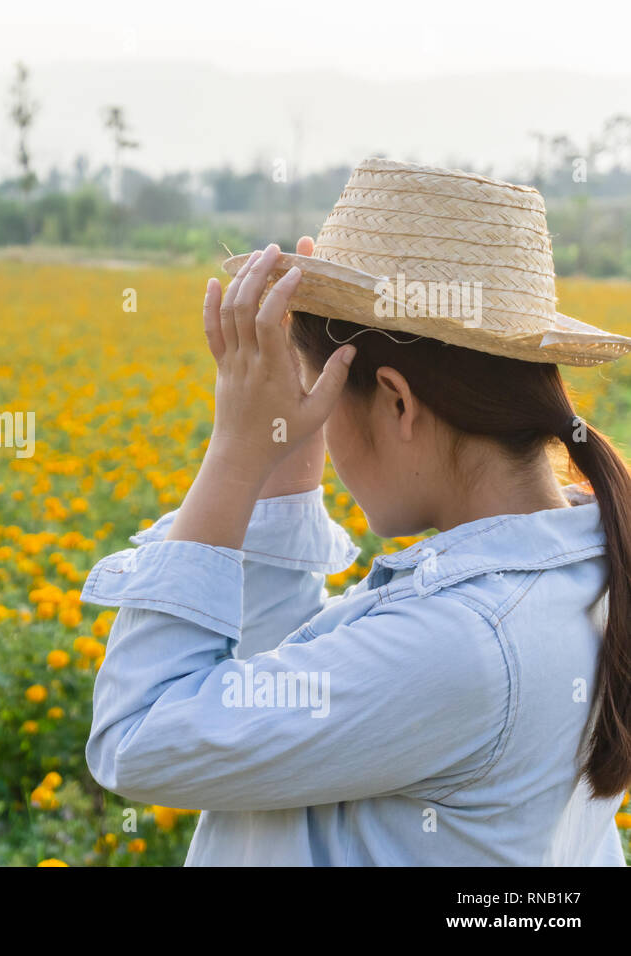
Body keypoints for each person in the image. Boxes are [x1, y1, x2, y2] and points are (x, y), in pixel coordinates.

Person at [83, 157, 631, 865]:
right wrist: (284, 450)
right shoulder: (584, 568)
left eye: (322, 398)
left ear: (398, 403)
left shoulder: (461, 641)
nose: (316, 420)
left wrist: (236, 453)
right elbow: (265, 685)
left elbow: (141, 737)